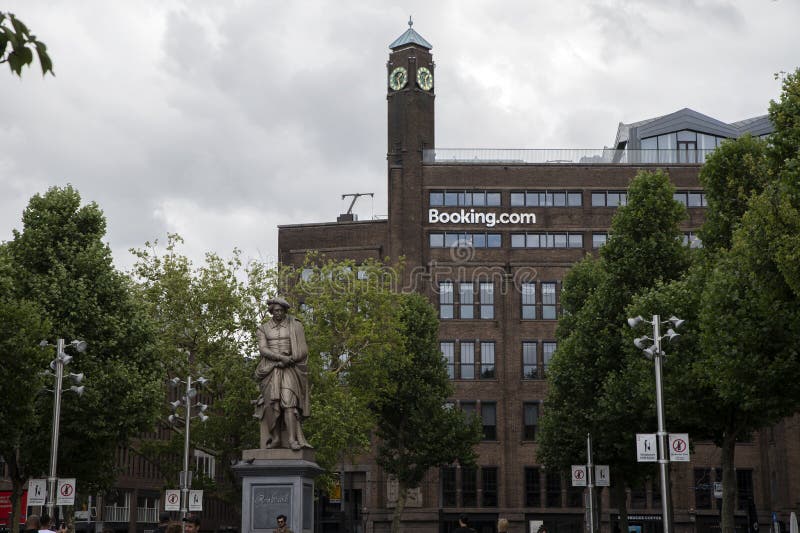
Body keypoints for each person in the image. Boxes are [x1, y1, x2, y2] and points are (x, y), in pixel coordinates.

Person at [254, 297, 311, 450]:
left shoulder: (295, 325)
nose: (278, 313)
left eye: (281, 310)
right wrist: (280, 358)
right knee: (272, 406)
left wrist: (290, 359)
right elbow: (263, 349)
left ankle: (292, 440)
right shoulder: (263, 328)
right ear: (271, 312)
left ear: (285, 311)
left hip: (289, 368)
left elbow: (303, 349)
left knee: (289, 402)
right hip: (270, 370)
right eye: (275, 311)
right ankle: (276, 438)